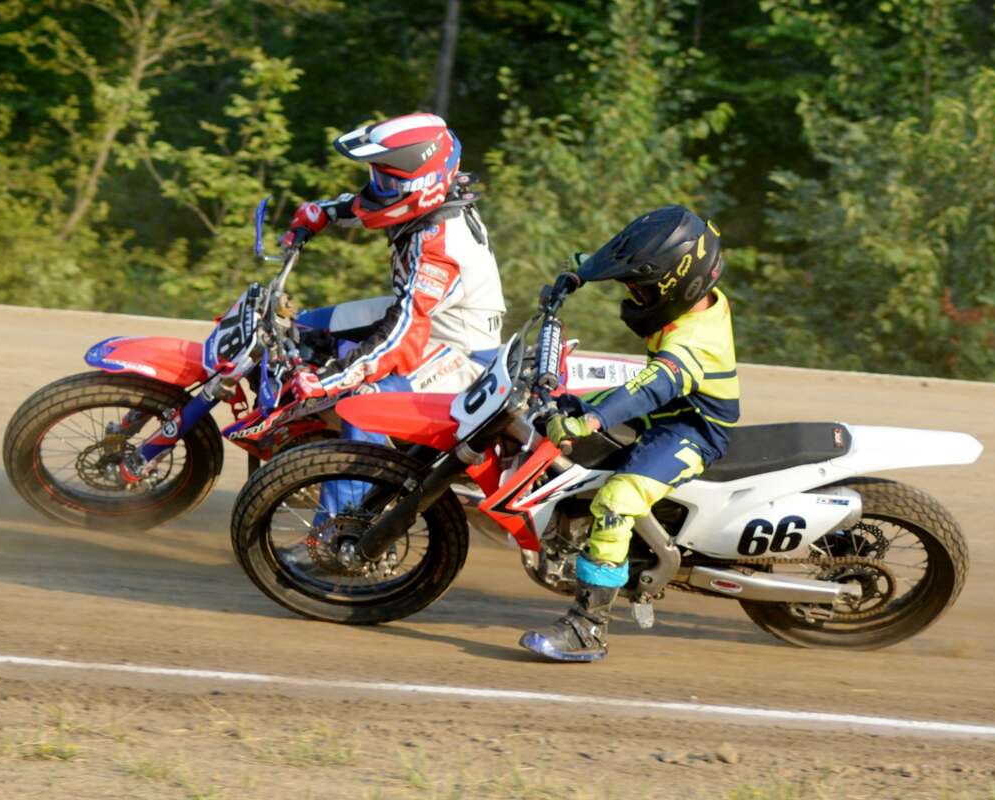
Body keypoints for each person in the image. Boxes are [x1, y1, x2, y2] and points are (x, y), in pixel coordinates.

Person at [520, 206, 739, 662]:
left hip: (691, 429)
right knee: (571, 410)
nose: (633, 297)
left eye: (639, 289)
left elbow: (649, 387)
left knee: (617, 501)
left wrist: (592, 420)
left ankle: (589, 628)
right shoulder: (695, 304)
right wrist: (581, 275)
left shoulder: (693, 344)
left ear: (673, 285)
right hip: (668, 409)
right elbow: (616, 263)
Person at [280, 113, 506, 518]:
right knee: (304, 326)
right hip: (424, 318)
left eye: (386, 180)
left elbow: (401, 338)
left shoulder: (440, 248)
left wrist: (331, 378)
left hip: (460, 351)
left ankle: (342, 526)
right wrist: (324, 212)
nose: (376, 186)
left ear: (420, 184)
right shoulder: (428, 201)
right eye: (376, 174)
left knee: (363, 404)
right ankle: (307, 450)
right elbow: (368, 204)